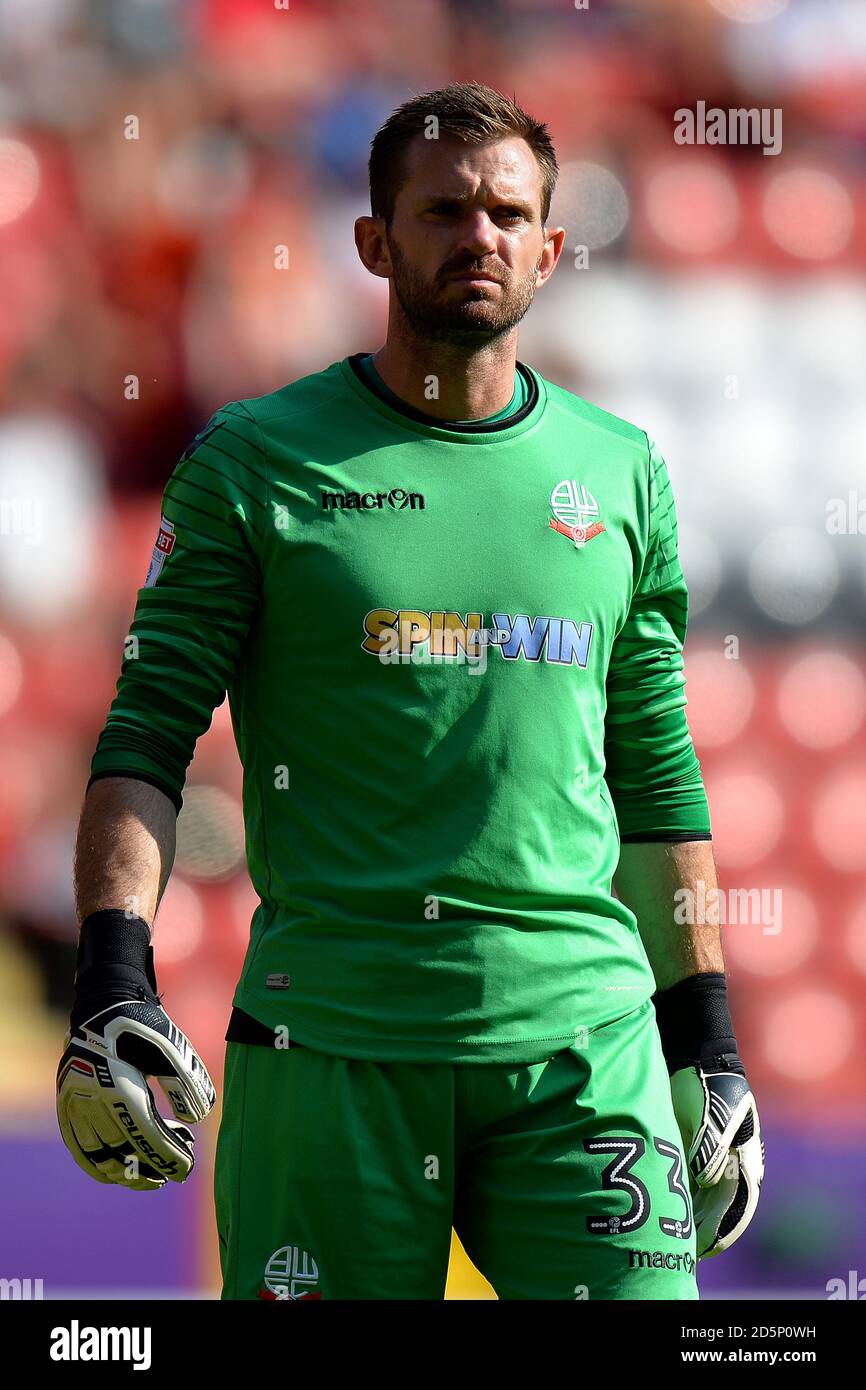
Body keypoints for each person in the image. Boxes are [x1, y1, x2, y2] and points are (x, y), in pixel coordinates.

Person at [57, 81, 763, 1301]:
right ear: (374, 243)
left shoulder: (621, 471)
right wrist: (115, 971)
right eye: (442, 211)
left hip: (584, 1054)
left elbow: (654, 771)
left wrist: (701, 1031)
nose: (476, 235)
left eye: (505, 213)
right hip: (331, 1046)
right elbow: (149, 735)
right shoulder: (254, 462)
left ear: (549, 248)